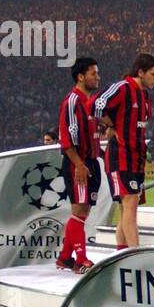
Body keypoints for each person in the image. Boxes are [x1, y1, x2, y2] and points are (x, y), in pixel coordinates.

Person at [95, 52, 154, 250]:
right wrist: (110, 123)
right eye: (153, 74)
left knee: (126, 208)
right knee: (130, 204)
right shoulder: (123, 88)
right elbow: (96, 105)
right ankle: (135, 254)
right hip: (120, 156)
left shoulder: (145, 95)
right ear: (140, 72)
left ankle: (122, 253)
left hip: (136, 158)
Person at [54, 57, 101, 273]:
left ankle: (64, 258)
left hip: (90, 162)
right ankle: (81, 260)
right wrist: (79, 165)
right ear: (81, 77)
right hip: (78, 164)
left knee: (83, 213)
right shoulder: (73, 102)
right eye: (93, 73)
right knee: (79, 212)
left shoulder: (90, 103)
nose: (97, 77)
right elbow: (67, 141)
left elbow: (89, 136)